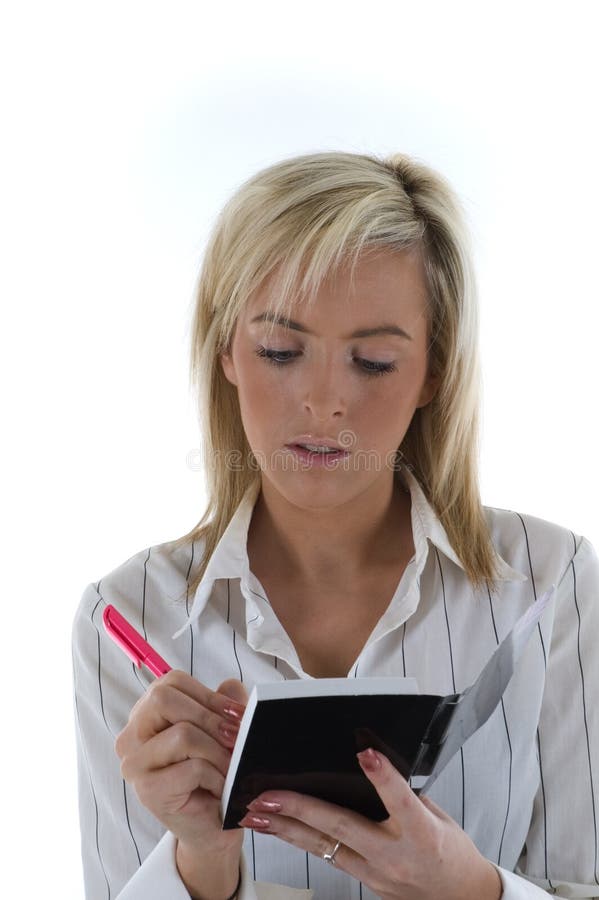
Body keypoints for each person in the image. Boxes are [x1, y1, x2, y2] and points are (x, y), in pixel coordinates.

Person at [72, 150, 599, 900]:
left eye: (374, 361)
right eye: (281, 351)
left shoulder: (555, 581)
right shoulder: (125, 616)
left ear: (435, 371)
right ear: (226, 349)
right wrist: (199, 861)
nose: (323, 401)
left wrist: (471, 890)